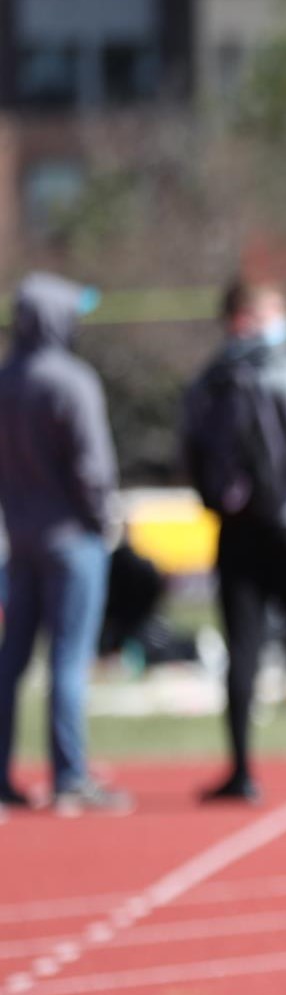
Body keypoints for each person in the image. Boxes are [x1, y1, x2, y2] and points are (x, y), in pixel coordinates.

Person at [182, 279, 286, 803]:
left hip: (235, 526)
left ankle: (242, 770)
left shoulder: (210, 378)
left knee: (243, 647)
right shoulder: (283, 370)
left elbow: (189, 449)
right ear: (253, 316)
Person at [0, 272, 132, 816]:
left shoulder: (5, 380)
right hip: (72, 539)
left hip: (21, 538)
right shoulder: (72, 382)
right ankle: (69, 777)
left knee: (12, 660)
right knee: (68, 659)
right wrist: (106, 519)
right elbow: (91, 467)